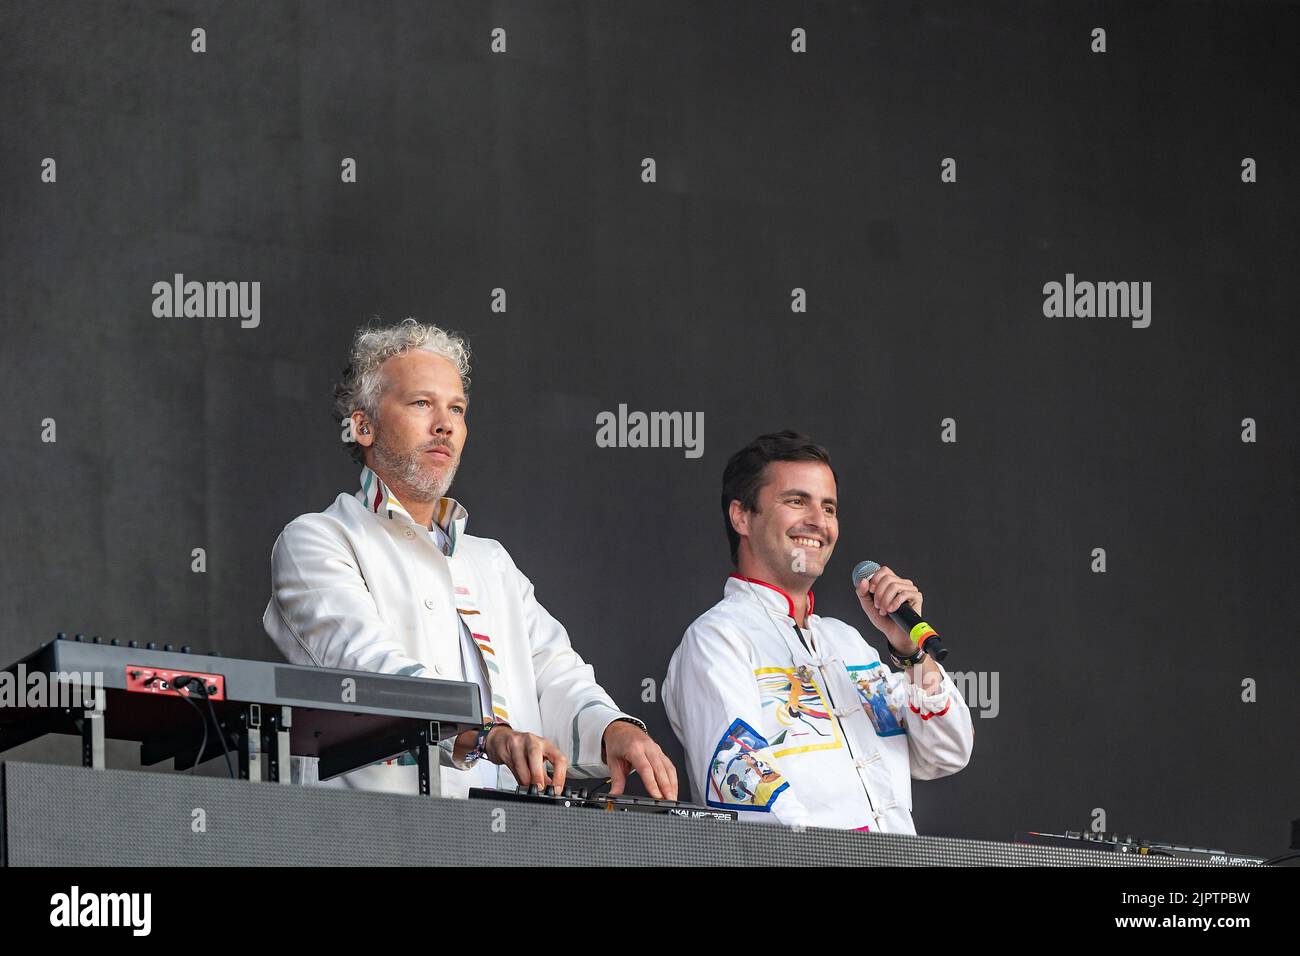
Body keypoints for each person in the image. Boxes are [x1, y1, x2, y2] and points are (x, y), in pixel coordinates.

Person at [263, 317, 678, 800]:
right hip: (375, 837)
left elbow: (556, 674)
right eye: (421, 403)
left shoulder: (491, 561)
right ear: (363, 426)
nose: (445, 424)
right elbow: (367, 670)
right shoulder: (318, 539)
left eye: (456, 409)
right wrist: (486, 735)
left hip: (513, 839)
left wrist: (613, 729)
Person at [663, 431, 972, 832]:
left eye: (829, 507)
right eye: (796, 501)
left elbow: (947, 752)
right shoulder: (717, 638)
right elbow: (739, 779)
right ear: (741, 516)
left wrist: (911, 653)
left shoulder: (848, 643)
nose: (818, 522)